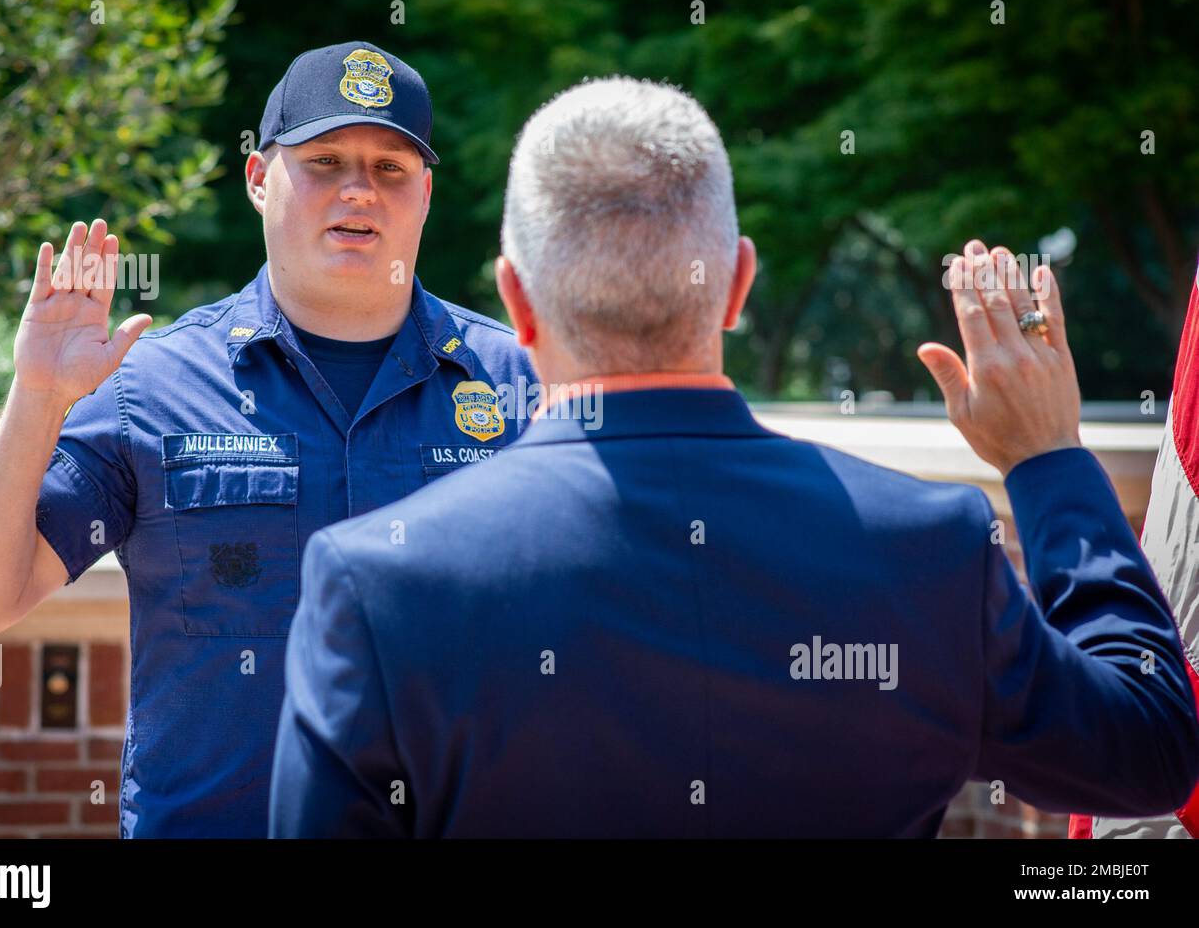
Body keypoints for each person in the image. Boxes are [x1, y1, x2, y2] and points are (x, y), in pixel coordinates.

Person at [269, 76, 1199, 837]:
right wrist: (1049, 464)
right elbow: (1150, 754)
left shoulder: (377, 582)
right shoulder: (929, 546)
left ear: (515, 300)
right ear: (738, 285)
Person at [0, 41, 535, 837]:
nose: (359, 188)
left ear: (425, 195)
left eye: (391, 168)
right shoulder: (150, 387)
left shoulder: (522, 387)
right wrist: (38, 397)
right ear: (257, 178)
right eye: (324, 159)